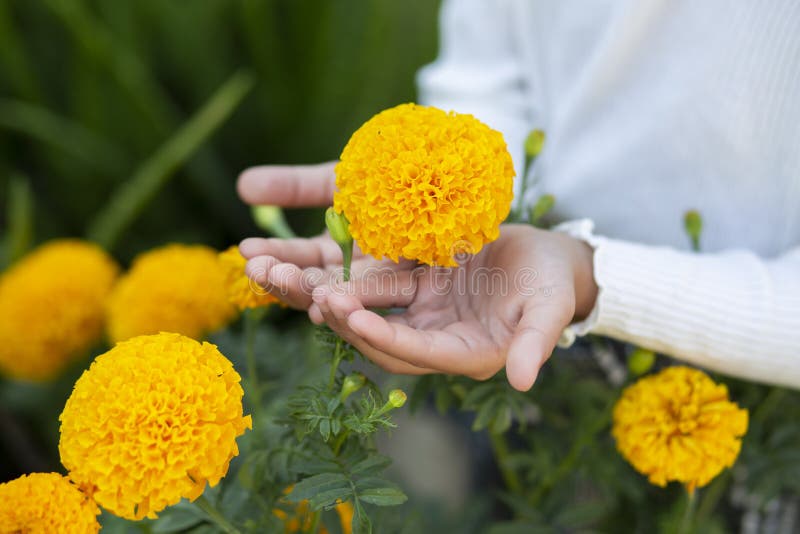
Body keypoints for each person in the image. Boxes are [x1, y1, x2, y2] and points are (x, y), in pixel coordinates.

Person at [237, 0, 800, 391]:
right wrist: (443, 181)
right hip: (507, 292)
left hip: (759, 358)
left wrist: (595, 276)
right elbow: (486, 65)